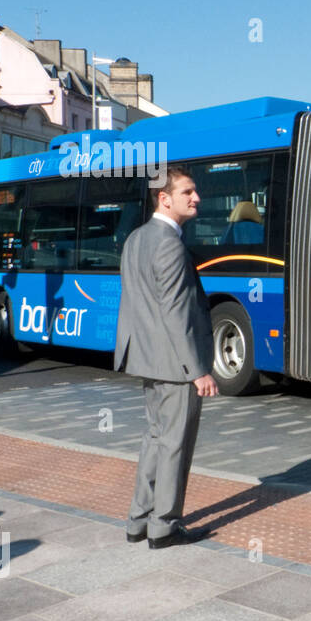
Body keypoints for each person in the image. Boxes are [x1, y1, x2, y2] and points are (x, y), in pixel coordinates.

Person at [115, 166, 219, 549]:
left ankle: (138, 520)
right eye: (188, 192)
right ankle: (165, 526)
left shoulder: (135, 239)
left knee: (156, 440)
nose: (197, 198)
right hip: (175, 366)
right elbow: (177, 312)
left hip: (147, 360)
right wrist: (198, 370)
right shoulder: (170, 243)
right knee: (175, 444)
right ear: (164, 198)